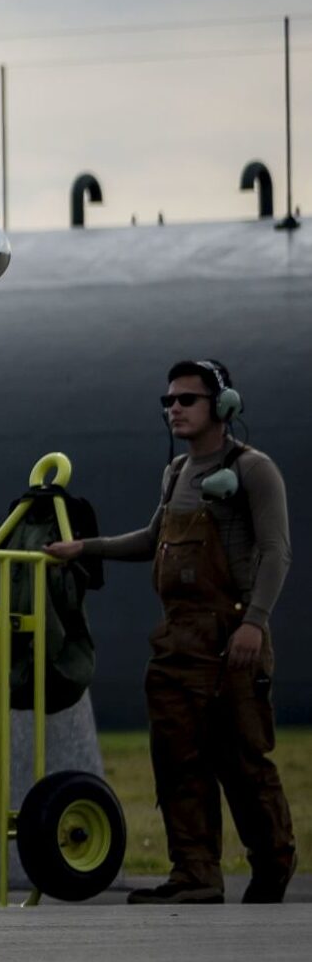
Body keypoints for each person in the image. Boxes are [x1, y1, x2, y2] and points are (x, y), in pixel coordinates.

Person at [45, 359, 291, 903]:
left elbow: (276, 552)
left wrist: (255, 622)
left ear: (222, 406)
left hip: (232, 639)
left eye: (187, 399)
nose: (174, 409)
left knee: (244, 764)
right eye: (168, 402)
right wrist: (84, 549)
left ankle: (273, 868)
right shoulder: (175, 473)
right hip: (177, 641)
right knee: (177, 760)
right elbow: (152, 538)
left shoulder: (254, 470)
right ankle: (195, 875)